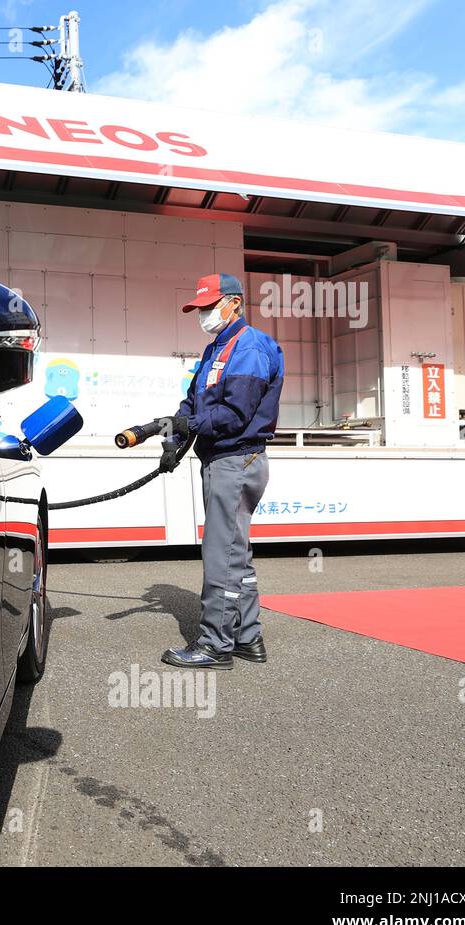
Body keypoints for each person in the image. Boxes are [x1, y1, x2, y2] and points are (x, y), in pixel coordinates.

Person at [157, 274, 284, 670]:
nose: (204, 315)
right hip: (222, 459)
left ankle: (215, 644)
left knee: (220, 555)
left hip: (236, 459)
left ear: (234, 303)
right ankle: (248, 637)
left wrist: (191, 426)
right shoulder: (218, 347)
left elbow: (235, 413)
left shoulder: (249, 348)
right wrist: (175, 435)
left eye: (210, 307)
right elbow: (194, 400)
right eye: (200, 309)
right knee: (236, 554)